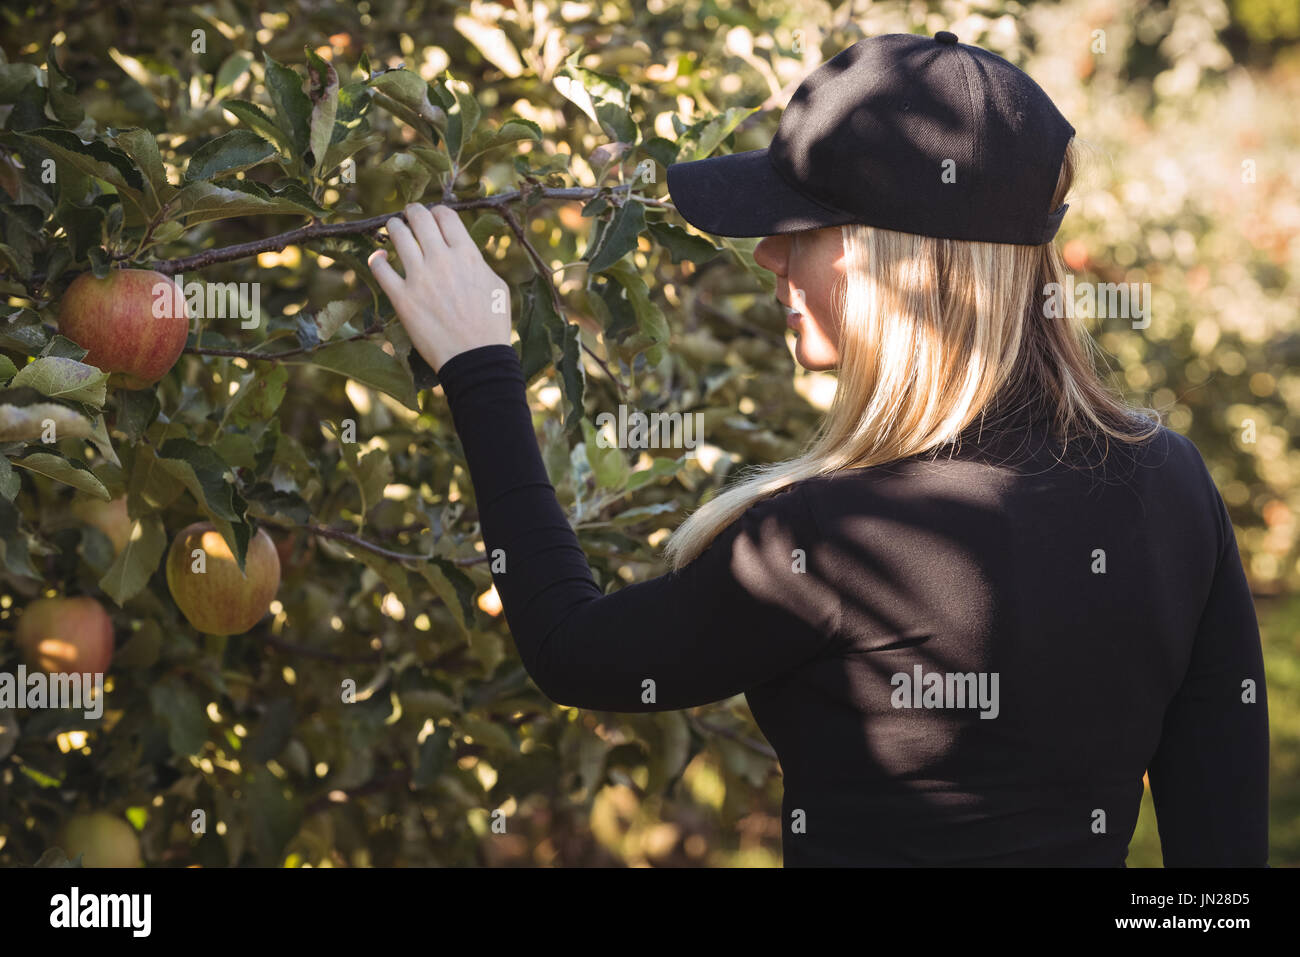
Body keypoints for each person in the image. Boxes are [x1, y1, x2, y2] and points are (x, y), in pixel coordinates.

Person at [367, 31, 1269, 866]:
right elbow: (1221, 863)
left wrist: (481, 369)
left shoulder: (831, 542)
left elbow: (573, 648)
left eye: (799, 228)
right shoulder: (1170, 480)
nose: (766, 257)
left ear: (892, 261)